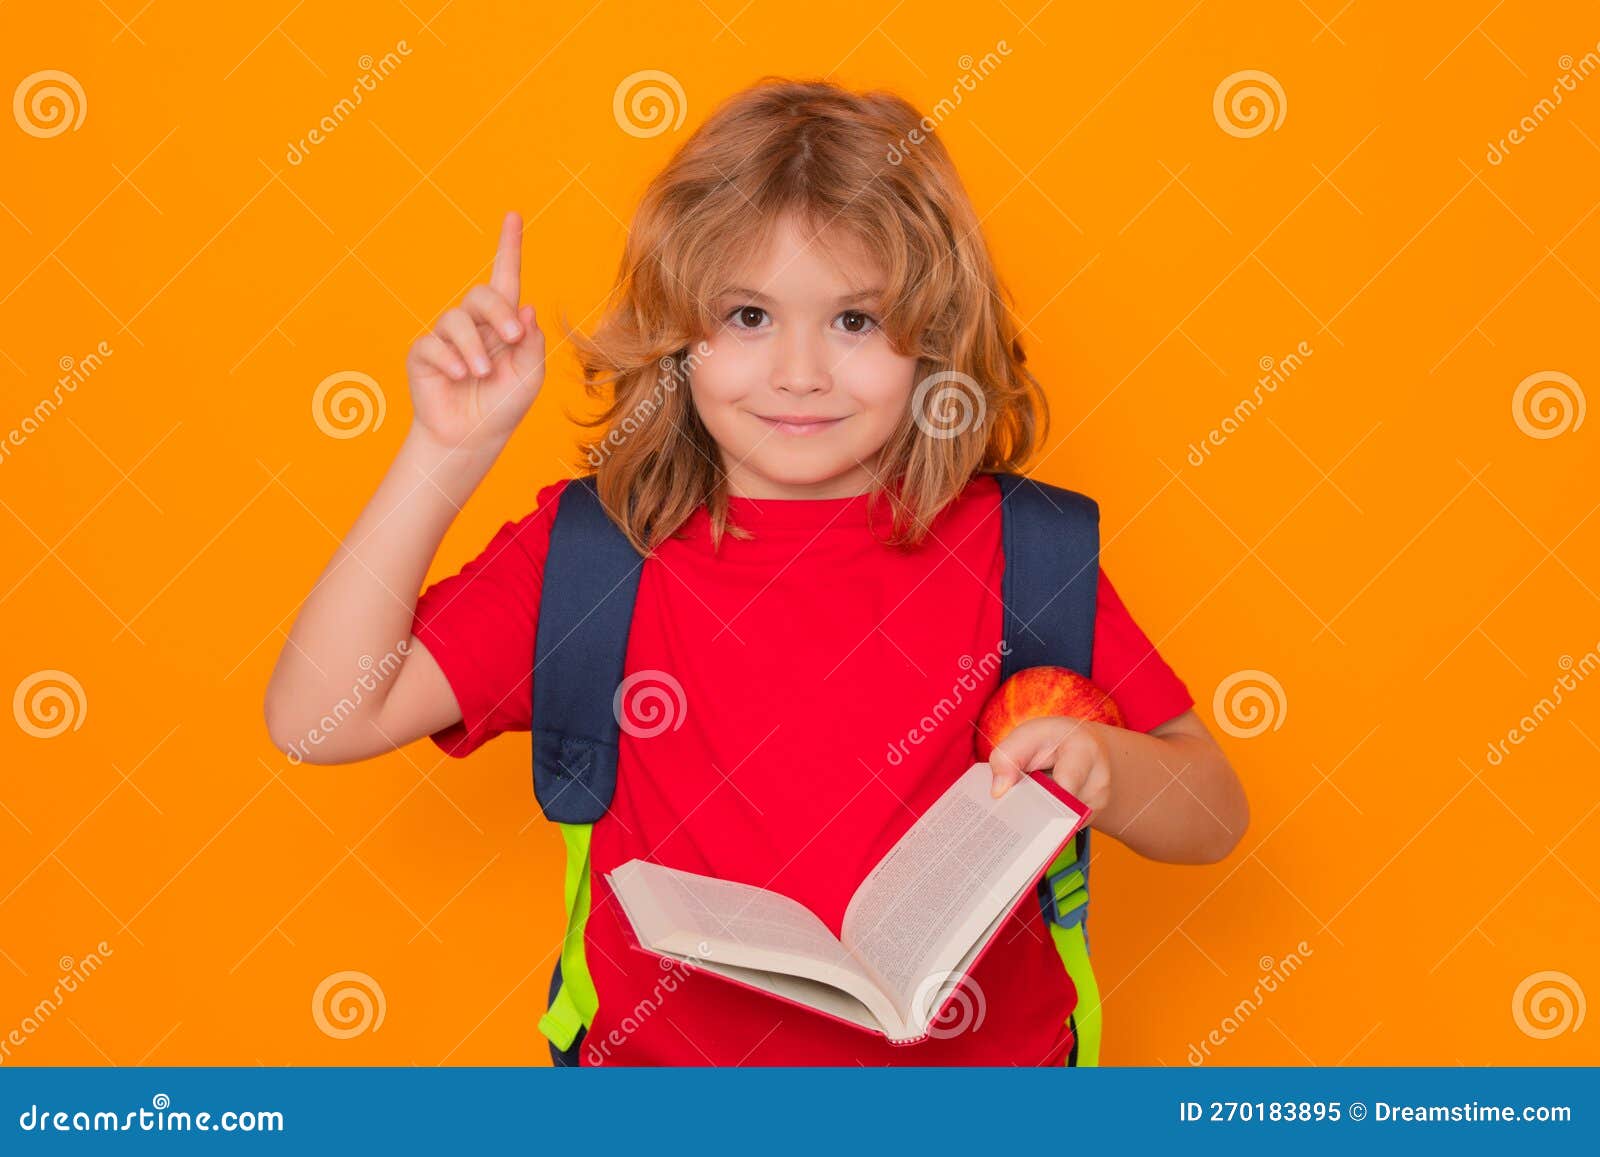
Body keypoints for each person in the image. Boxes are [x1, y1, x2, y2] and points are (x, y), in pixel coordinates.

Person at [264, 77, 1249, 1065]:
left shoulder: (1018, 551)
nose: (798, 370)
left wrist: (1111, 773)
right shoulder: (596, 552)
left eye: (855, 321)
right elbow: (320, 718)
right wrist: (444, 451)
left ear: (933, 340)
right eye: (746, 315)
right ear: (677, 331)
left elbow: (1213, 810)